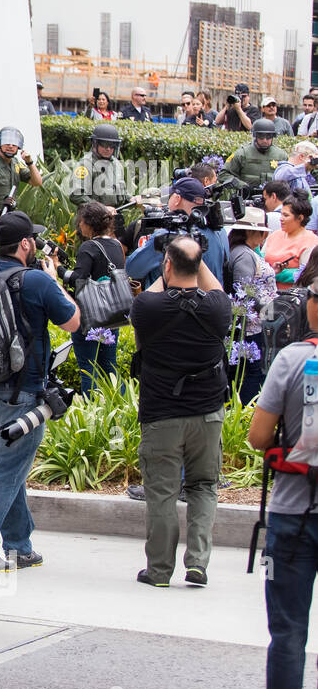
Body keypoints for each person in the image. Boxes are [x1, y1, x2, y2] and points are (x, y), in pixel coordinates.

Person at [0, 211, 80, 572]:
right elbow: (73, 321)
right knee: (5, 469)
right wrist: (55, 280)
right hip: (23, 392)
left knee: (9, 466)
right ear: (25, 243)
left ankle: (18, 545)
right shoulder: (37, 281)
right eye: (34, 239)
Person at [131, 236, 230, 588]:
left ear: (167, 265)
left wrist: (169, 257)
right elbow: (215, 288)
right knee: (204, 486)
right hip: (207, 414)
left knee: (162, 492)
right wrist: (195, 255)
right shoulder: (218, 308)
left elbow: (154, 293)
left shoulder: (148, 308)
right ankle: (198, 564)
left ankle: (159, 571)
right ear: (199, 264)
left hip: (162, 415)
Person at [247, 290, 318, 689]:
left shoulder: (291, 359)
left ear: (313, 306)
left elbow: (258, 436)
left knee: (288, 632)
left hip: (292, 515)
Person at [126, 176, 228, 287]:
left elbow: (132, 269)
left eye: (170, 196)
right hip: (211, 300)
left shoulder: (168, 235)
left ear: (177, 199)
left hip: (170, 302)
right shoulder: (219, 231)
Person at [68, 201, 127, 395]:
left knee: (88, 370)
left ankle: (92, 413)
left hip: (90, 316)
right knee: (109, 367)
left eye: (81, 221)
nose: (79, 225)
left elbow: (78, 281)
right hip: (112, 316)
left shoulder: (89, 247)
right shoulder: (117, 245)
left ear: (88, 223)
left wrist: (58, 270)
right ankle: (124, 405)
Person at [224, 206, 275, 404]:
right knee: (253, 372)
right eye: (262, 232)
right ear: (251, 231)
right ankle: (244, 412)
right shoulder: (243, 254)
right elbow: (244, 291)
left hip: (251, 324)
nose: (264, 237)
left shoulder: (243, 252)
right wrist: (270, 312)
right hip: (249, 328)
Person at [68, 123, 140, 214]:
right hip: (92, 219)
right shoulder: (85, 165)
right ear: (95, 144)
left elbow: (120, 193)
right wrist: (102, 208)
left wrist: (131, 199)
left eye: (112, 145)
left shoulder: (116, 164)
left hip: (114, 217)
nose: (108, 149)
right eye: (104, 145)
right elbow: (76, 195)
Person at [264, 195, 318, 291]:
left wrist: (274, 273)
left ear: (300, 218)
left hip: (291, 299)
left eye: (286, 215)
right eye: (281, 214)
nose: (280, 218)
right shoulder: (275, 235)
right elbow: (261, 260)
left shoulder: (311, 242)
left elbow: (306, 275)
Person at [0, 127, 42, 211]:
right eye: (7, 143)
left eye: (14, 144)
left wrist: (29, 162)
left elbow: (37, 182)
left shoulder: (16, 163)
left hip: (9, 213)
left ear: (19, 147)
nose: (10, 146)